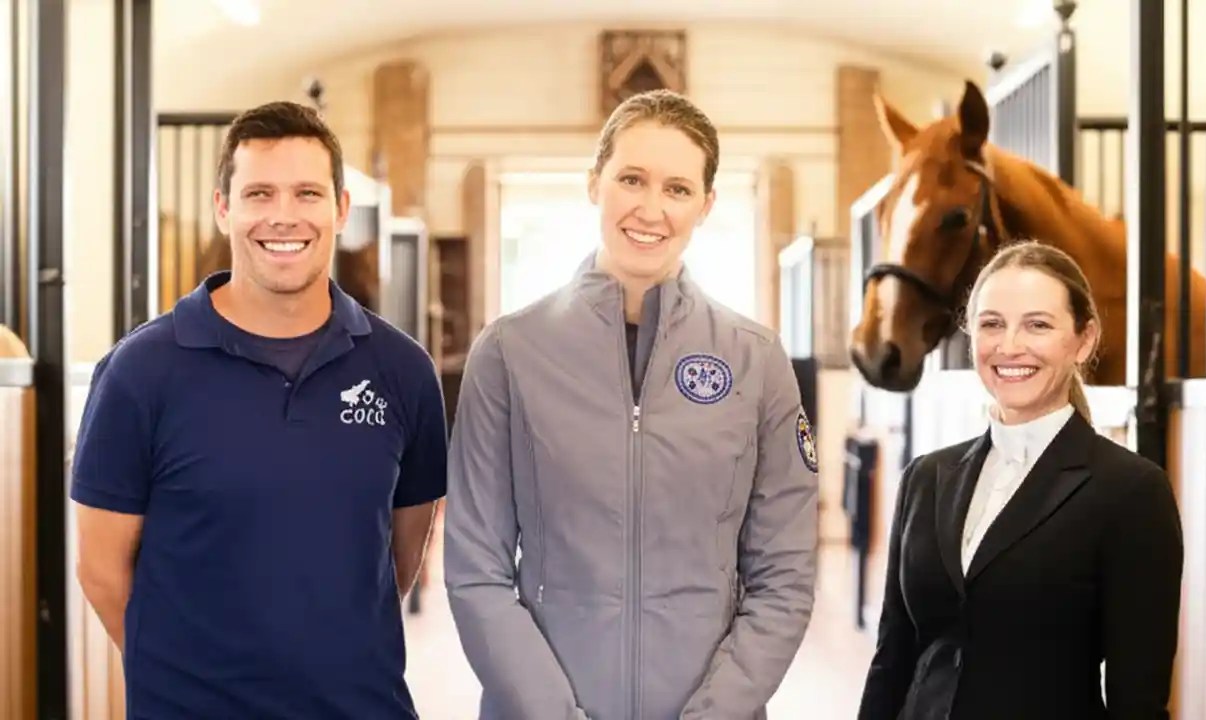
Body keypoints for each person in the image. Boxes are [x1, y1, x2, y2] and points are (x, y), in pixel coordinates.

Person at [444, 89, 819, 720]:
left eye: (677, 188)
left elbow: (784, 575)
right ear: (594, 184)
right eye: (631, 179)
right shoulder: (509, 352)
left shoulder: (758, 360)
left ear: (706, 204)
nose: (651, 208)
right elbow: (476, 569)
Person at [71, 101, 447, 718]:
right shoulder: (140, 372)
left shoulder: (403, 371)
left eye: (306, 193)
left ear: (340, 210)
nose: (283, 216)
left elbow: (398, 559)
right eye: (259, 193)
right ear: (224, 209)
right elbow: (101, 572)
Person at [857, 240, 1184, 719]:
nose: (1009, 346)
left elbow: (1139, 701)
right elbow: (892, 659)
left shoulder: (1132, 491)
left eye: (1038, 325)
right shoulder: (926, 478)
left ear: (1085, 339)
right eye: (992, 324)